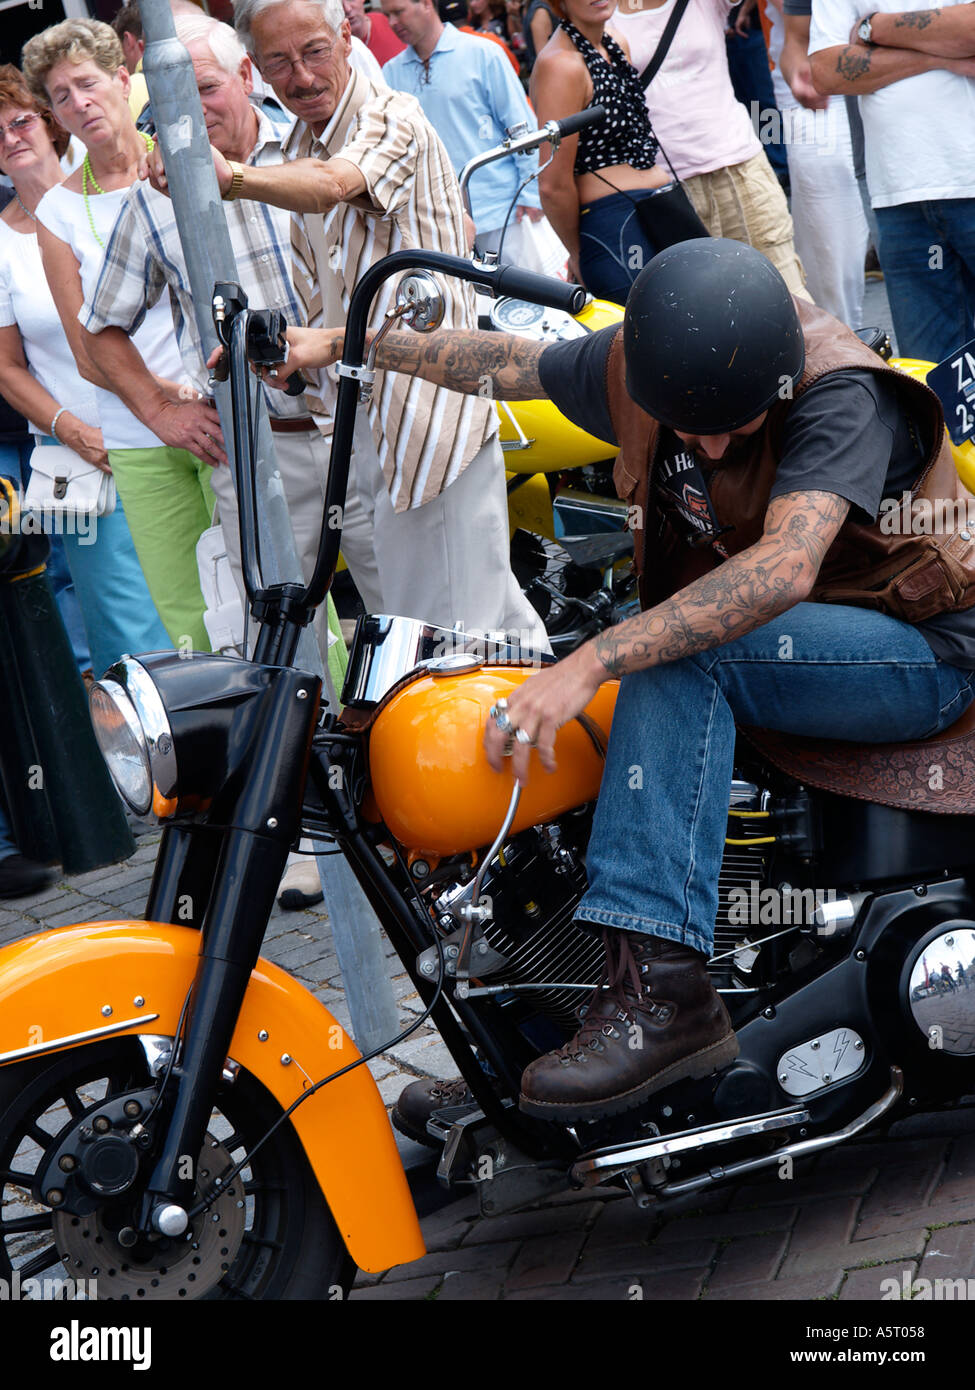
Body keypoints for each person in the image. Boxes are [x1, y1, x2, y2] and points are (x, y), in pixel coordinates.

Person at [270, 237, 975, 1125]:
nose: (710, 441)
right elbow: (508, 363)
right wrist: (339, 344)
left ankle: (664, 996)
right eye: (690, 424)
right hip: (794, 650)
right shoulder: (650, 363)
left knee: (667, 651)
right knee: (578, 678)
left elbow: (785, 569)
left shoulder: (840, 393)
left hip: (922, 652)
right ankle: (544, 1020)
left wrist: (596, 659)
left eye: (735, 423)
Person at [178, 0, 548, 647]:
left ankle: (539, 731)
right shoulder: (295, 143)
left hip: (432, 421)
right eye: (279, 62)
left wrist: (230, 178)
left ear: (347, 38)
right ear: (257, 68)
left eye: (314, 51)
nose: (300, 76)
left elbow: (333, 184)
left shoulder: (388, 115)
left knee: (465, 633)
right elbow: (328, 310)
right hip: (362, 431)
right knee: (433, 630)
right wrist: (287, 357)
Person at [78, 13, 347, 689]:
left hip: (367, 431)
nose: (192, 110)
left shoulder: (316, 148)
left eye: (205, 87)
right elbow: (98, 327)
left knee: (404, 610)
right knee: (282, 636)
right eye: (171, 98)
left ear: (246, 77)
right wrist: (158, 412)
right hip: (261, 448)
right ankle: (312, 782)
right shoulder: (155, 195)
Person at [22, 18, 215, 655]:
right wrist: (163, 401)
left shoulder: (185, 165)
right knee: (184, 610)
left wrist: (197, 397)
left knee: (278, 580)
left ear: (122, 80)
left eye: (87, 83)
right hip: (138, 432)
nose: (78, 103)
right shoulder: (56, 211)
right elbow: (85, 351)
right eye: (59, 96)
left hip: (222, 411)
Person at [0, 60, 169, 679]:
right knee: (126, 630)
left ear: (48, 124)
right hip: (81, 455)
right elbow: (5, 367)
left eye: (20, 121)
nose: (12, 138)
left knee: (202, 598)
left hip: (171, 425)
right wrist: (69, 427)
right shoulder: (1, 243)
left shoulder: (114, 188)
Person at [809, 0, 975, 365]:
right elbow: (825, 71)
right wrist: (941, 58)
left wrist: (874, 28)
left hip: (963, 177)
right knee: (933, 379)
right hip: (897, 193)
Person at [611, 0, 808, 297]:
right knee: (704, 316)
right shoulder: (600, 13)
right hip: (667, 191)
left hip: (742, 170)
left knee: (788, 298)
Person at [529, 0, 673, 301]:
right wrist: (579, 252)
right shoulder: (560, 64)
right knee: (649, 342)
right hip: (614, 226)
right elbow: (553, 184)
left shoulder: (615, 42)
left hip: (663, 209)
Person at [380, 0, 543, 253]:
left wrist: (531, 193)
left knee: (526, 293)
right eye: (387, 14)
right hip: (440, 225)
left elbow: (521, 127)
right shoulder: (389, 72)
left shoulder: (482, 52)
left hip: (505, 212)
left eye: (398, 12)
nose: (392, 23)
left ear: (425, 4)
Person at [765, 0, 869, 327]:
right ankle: (847, 360)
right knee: (832, 260)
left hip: (906, 98)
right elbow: (796, 38)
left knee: (918, 252)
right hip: (821, 106)